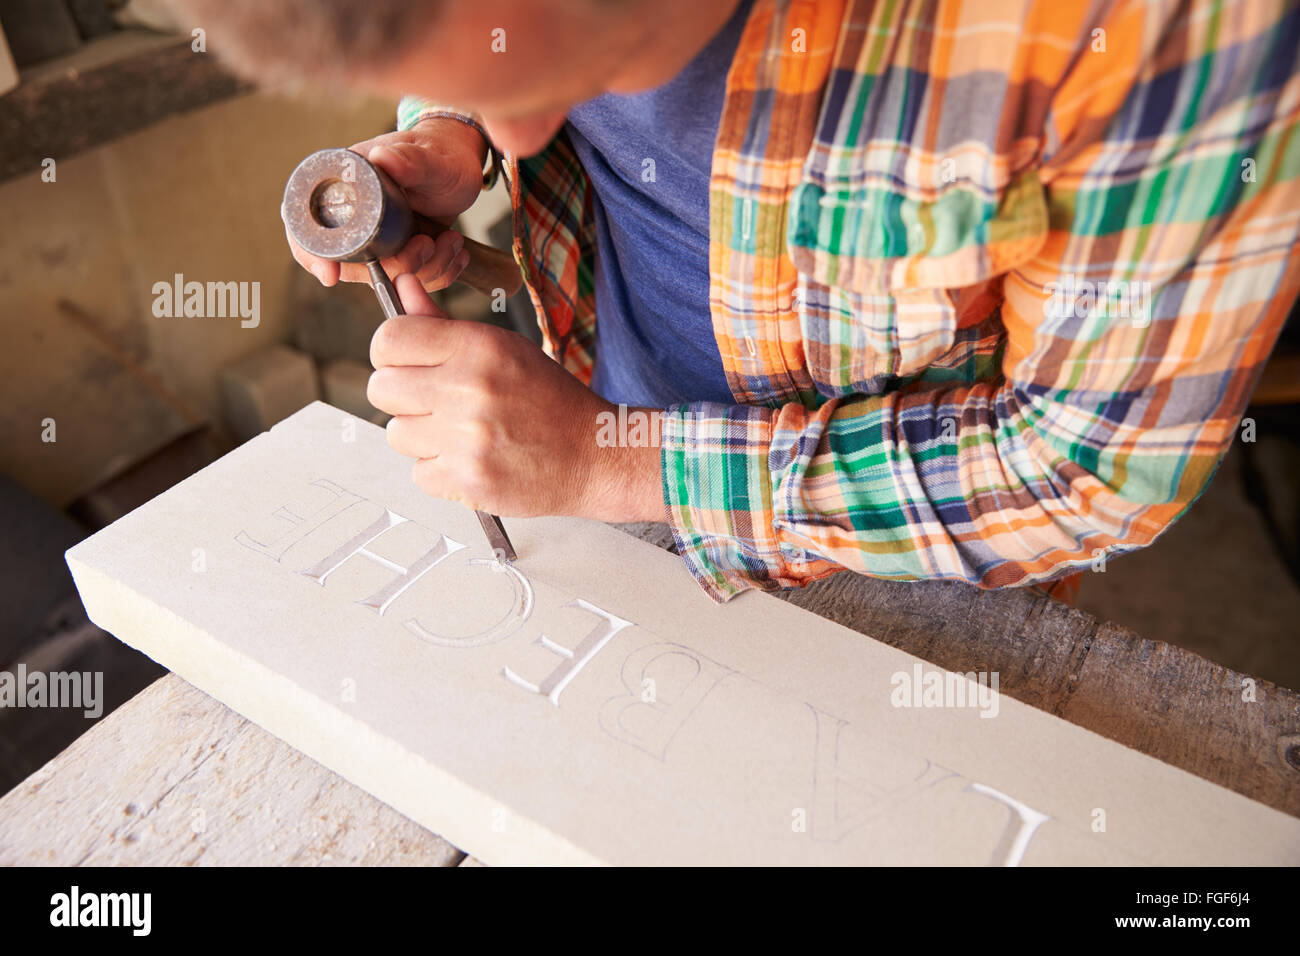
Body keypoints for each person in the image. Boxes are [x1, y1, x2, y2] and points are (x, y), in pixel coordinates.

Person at [174, 0, 1300, 604]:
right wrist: (448, 125)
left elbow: (1086, 474)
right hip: (595, 458)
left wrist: (611, 460)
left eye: (570, 62)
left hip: (905, 558)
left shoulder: (1169, 26)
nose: (522, 139)